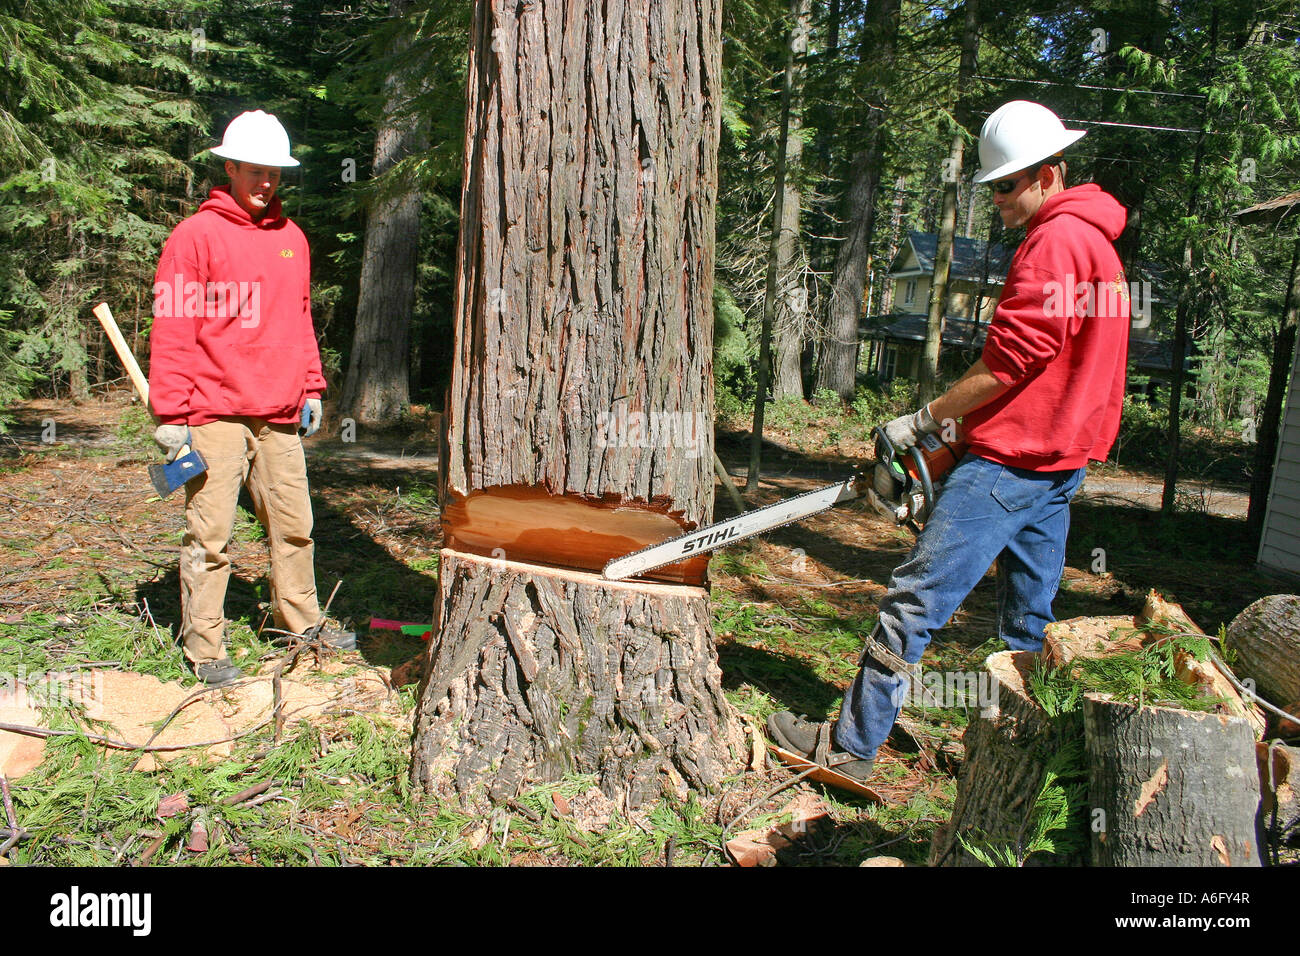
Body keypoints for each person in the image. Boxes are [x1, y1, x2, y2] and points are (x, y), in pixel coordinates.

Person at [768, 100, 1131, 781]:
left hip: (1011, 465)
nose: (997, 199)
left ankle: (851, 748)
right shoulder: (1102, 250)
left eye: (1006, 185)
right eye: (993, 186)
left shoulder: (1054, 244)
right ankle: (1017, 761)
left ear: (1050, 174)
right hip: (1057, 465)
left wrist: (925, 418)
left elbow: (1009, 360)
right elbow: (1071, 364)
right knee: (1028, 625)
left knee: (915, 600)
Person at [149, 109, 353, 686]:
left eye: (274, 173)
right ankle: (206, 647)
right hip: (212, 412)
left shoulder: (292, 239)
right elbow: (172, 327)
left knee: (294, 525)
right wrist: (170, 413)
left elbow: (300, 319)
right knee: (210, 536)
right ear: (230, 167)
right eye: (254, 171)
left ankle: (299, 620)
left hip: (279, 413)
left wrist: (311, 384)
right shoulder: (195, 236)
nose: (265, 183)